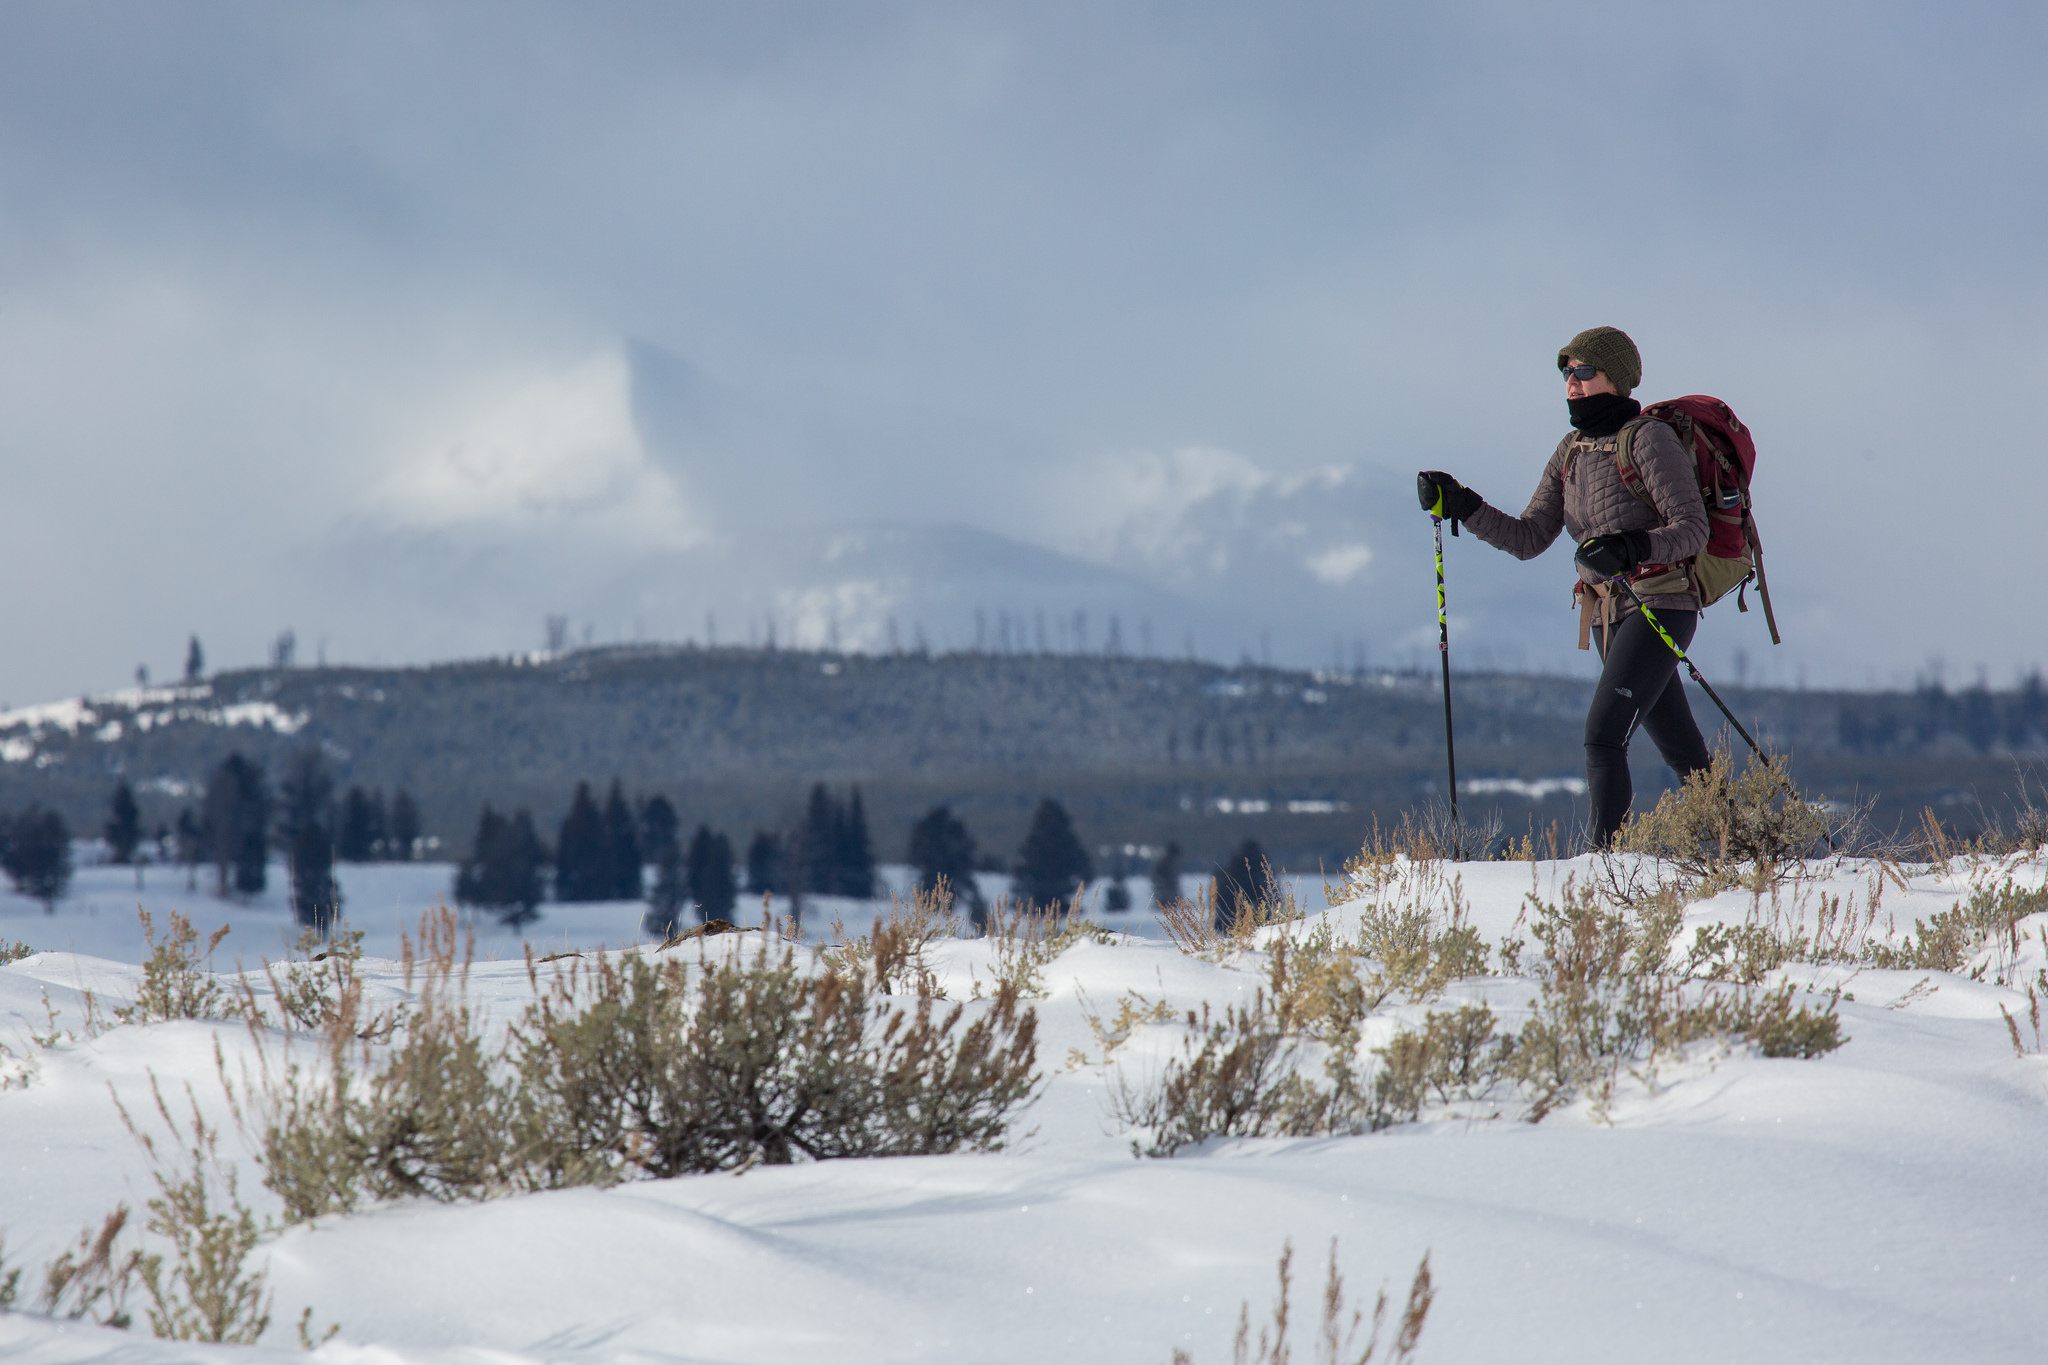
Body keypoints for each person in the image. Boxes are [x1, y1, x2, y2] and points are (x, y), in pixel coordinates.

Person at [1416, 326, 1712, 847]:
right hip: (1605, 615)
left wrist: (1630, 548)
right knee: (1685, 756)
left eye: (1582, 373)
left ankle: (1605, 867)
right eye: (1565, 374)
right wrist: (1463, 503)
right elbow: (1530, 538)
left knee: (1602, 738)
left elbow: (1692, 528)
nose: (1571, 385)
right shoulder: (1571, 450)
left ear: (1615, 380)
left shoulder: (1648, 438)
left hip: (1661, 603)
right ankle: (1750, 850)